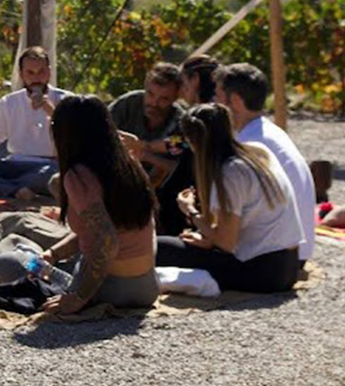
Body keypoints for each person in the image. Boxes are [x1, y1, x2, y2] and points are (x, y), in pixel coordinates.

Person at [0, 95, 158, 313]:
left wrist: (78, 297)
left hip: (112, 288)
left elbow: (106, 239)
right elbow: (99, 228)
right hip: (146, 287)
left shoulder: (78, 175)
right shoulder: (127, 164)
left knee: (6, 263)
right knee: (40, 260)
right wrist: (54, 254)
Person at [156, 104, 304, 293]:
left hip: (262, 273)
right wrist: (209, 238)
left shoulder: (230, 172)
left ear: (194, 141)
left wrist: (190, 211)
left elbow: (226, 243)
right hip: (289, 265)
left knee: (160, 249)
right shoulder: (257, 151)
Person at [214, 63, 315, 265]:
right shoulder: (267, 132)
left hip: (274, 257)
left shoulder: (251, 144)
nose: (215, 103)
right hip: (294, 250)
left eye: (217, 97)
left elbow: (230, 230)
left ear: (233, 100)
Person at [0, 46, 68, 200]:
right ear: (21, 74)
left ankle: (4, 187)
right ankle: (15, 189)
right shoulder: (9, 102)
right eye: (30, 73)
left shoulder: (65, 101)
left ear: (49, 72)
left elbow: (76, 139)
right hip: (13, 164)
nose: (36, 78)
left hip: (46, 166)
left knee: (55, 177)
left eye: (41, 72)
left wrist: (49, 110)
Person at [154, 54, 220, 236]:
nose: (182, 91)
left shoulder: (205, 112)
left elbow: (180, 144)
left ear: (195, 79)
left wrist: (146, 147)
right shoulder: (218, 105)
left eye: (183, 83)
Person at [110, 62, 185, 189]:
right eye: (150, 94)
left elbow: (177, 165)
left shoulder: (180, 122)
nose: (154, 103)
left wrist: (144, 152)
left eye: (164, 99)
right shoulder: (128, 104)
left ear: (176, 98)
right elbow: (99, 130)